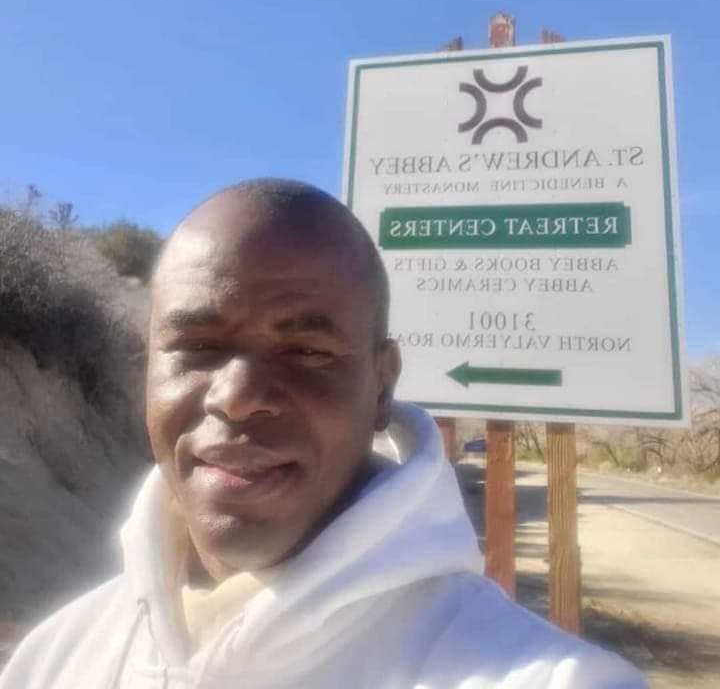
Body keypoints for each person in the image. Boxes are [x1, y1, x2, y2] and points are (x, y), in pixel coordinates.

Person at [0, 180, 646, 688]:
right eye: (196, 346)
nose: (239, 397)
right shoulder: (54, 658)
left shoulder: (538, 676)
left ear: (381, 387)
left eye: (306, 351)